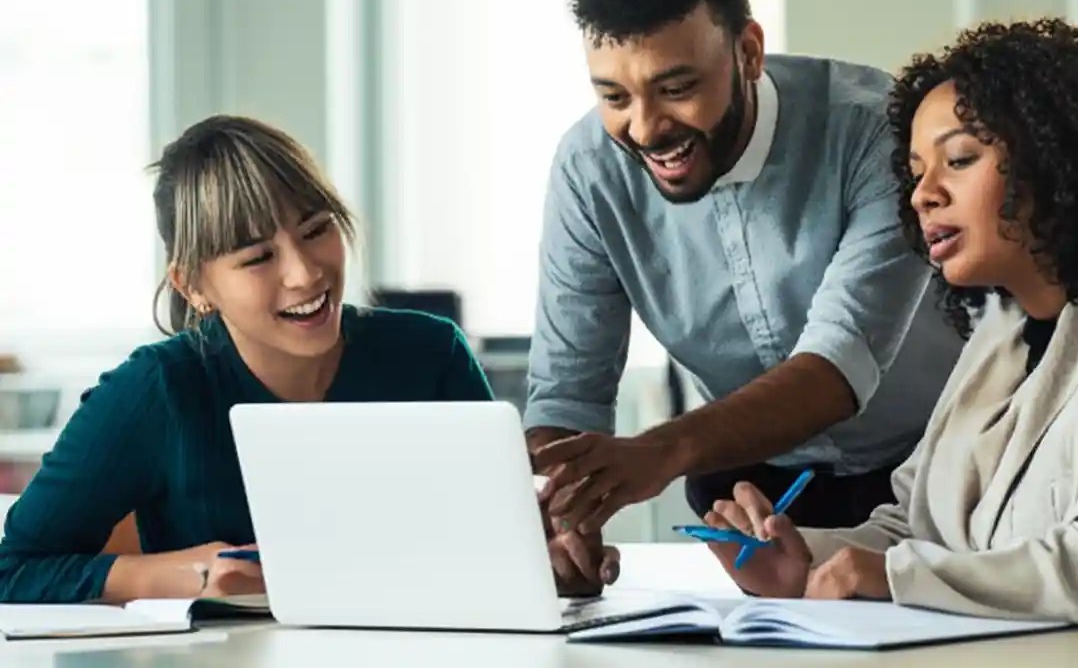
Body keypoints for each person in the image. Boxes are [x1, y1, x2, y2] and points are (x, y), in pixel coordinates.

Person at [701, 18, 1078, 640]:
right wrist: (802, 556)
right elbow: (912, 529)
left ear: (1053, 164)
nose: (923, 194)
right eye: (917, 169)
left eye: (959, 159)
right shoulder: (997, 336)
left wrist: (889, 576)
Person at [0, 116, 617, 603]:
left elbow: (500, 554)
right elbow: (13, 570)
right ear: (193, 286)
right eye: (256, 257)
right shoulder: (156, 389)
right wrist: (186, 575)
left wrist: (558, 564)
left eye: (316, 228)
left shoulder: (431, 355)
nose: (305, 272)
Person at [528, 0, 961, 534]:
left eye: (676, 88)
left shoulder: (875, 130)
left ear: (749, 52)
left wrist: (662, 451)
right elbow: (568, 394)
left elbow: (837, 365)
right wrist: (558, 529)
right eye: (614, 97)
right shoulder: (587, 170)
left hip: (939, 465)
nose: (645, 127)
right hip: (754, 486)